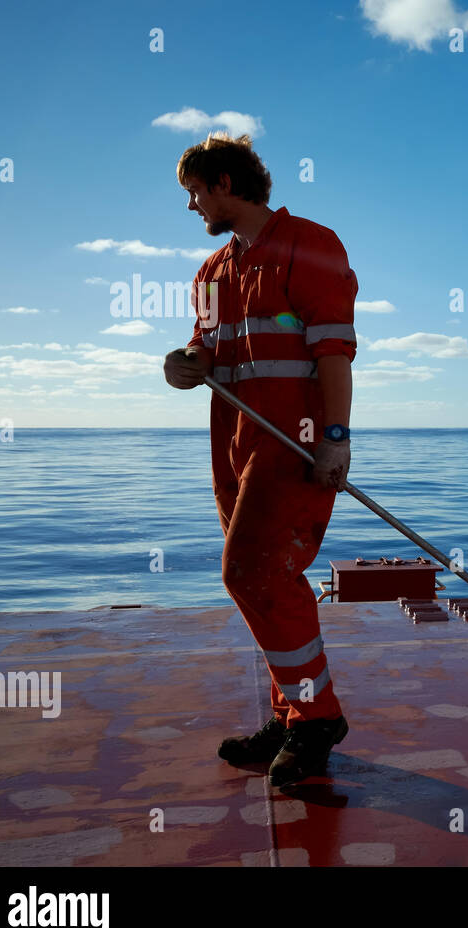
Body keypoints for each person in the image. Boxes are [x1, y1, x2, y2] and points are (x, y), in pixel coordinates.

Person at [162, 132, 358, 787]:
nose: (191, 206)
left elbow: (333, 351)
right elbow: (206, 353)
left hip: (292, 442)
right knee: (262, 578)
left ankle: (316, 717)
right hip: (233, 447)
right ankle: (291, 711)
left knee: (254, 574)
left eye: (194, 191)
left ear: (223, 183)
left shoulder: (312, 243)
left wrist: (335, 437)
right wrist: (184, 367)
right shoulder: (211, 273)